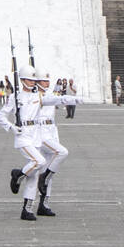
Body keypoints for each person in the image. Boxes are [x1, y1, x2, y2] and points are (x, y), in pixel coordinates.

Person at [32, 69, 89, 215]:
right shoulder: (35, 96)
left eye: (48, 80)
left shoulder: (48, 94)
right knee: (62, 152)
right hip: (40, 133)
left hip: (51, 131)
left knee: (46, 172)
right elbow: (59, 100)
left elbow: (56, 99)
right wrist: (75, 99)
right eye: (44, 80)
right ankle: (25, 176)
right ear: (37, 82)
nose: (48, 83)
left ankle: (43, 204)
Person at [0, 67, 47, 221]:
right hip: (23, 135)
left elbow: (55, 100)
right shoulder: (15, 97)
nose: (33, 82)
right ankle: (18, 175)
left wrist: (72, 99)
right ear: (23, 80)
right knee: (39, 161)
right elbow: (1, 116)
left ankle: (27, 210)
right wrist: (12, 127)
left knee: (34, 175)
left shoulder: (38, 96)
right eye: (30, 79)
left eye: (34, 80)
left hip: (35, 135)